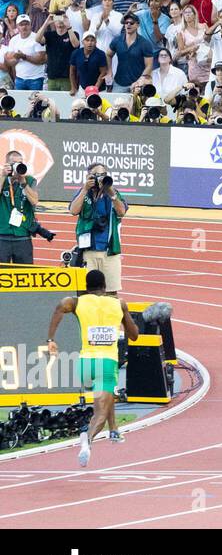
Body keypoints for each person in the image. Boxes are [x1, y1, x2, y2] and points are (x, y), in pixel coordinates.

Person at [47, 269, 138, 467]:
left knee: (106, 396)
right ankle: (87, 439)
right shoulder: (119, 304)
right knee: (100, 412)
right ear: (105, 287)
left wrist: (51, 339)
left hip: (86, 364)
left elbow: (58, 309)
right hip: (107, 362)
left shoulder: (77, 302)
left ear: (86, 287)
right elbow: (134, 335)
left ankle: (114, 429)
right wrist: (125, 316)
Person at [68, 164, 127, 294]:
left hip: (110, 250)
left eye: (103, 175)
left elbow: (121, 211)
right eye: (97, 175)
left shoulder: (113, 193)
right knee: (87, 293)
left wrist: (111, 193)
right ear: (89, 176)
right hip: (89, 250)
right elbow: (73, 210)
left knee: (111, 293)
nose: (100, 178)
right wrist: (84, 189)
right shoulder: (84, 192)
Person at [0, 151, 39, 263]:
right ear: (7, 164)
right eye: (14, 163)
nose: (17, 166)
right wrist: (3, 176)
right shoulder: (2, 178)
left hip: (23, 235)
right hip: (2, 235)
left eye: (20, 163)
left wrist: (23, 183)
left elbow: (34, 201)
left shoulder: (30, 180)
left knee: (25, 273)